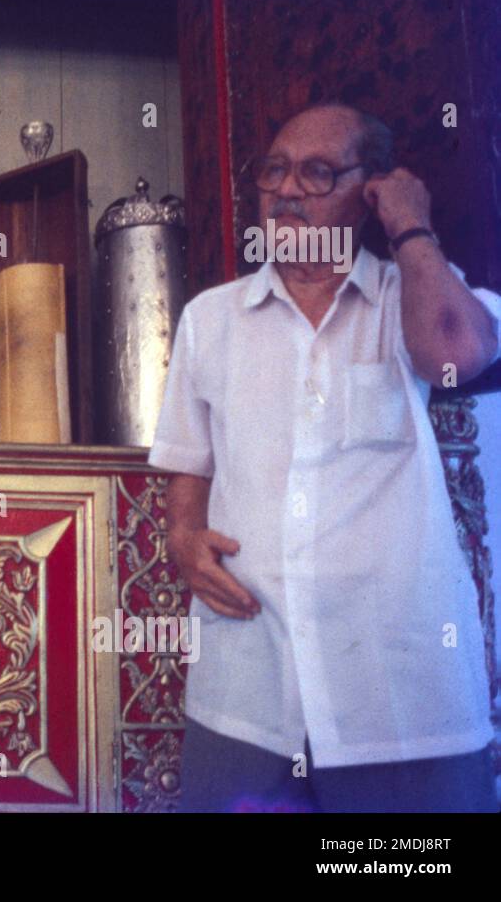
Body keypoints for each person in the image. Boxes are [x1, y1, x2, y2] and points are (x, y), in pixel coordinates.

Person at [149, 102, 501, 811]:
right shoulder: (210, 320)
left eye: (317, 173)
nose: (286, 192)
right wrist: (183, 536)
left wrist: (411, 225)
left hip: (400, 699)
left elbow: (459, 353)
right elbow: (189, 459)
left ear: (371, 191)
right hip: (246, 693)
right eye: (273, 171)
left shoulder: (414, 292)